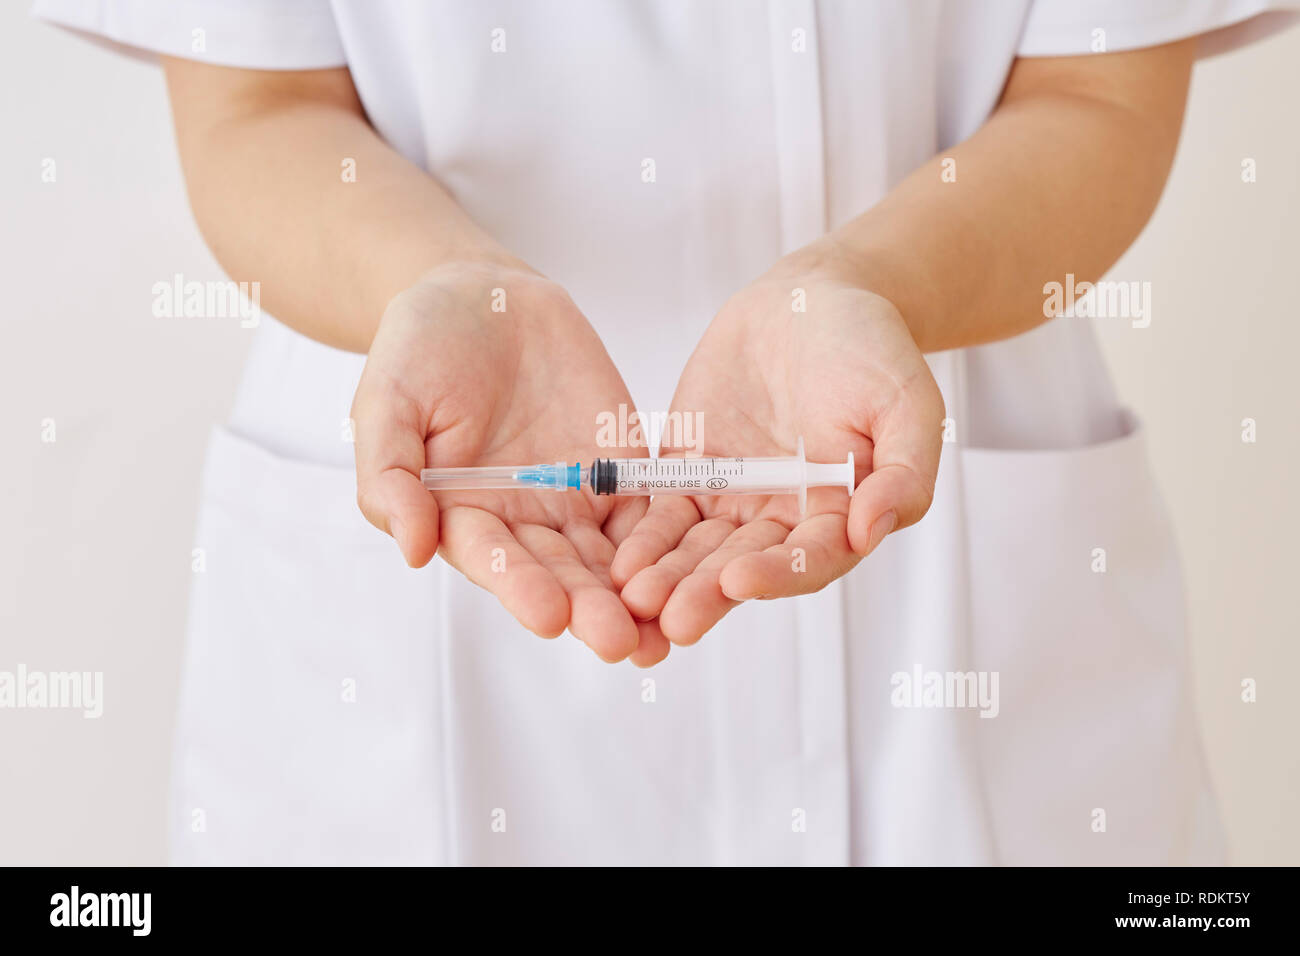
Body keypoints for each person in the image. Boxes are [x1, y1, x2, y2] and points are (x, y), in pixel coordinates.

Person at [35, 0, 1297, 865]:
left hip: (944, 543)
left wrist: (874, 284)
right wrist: (444, 283)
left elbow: (1097, 88)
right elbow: (257, 107)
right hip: (426, 543)